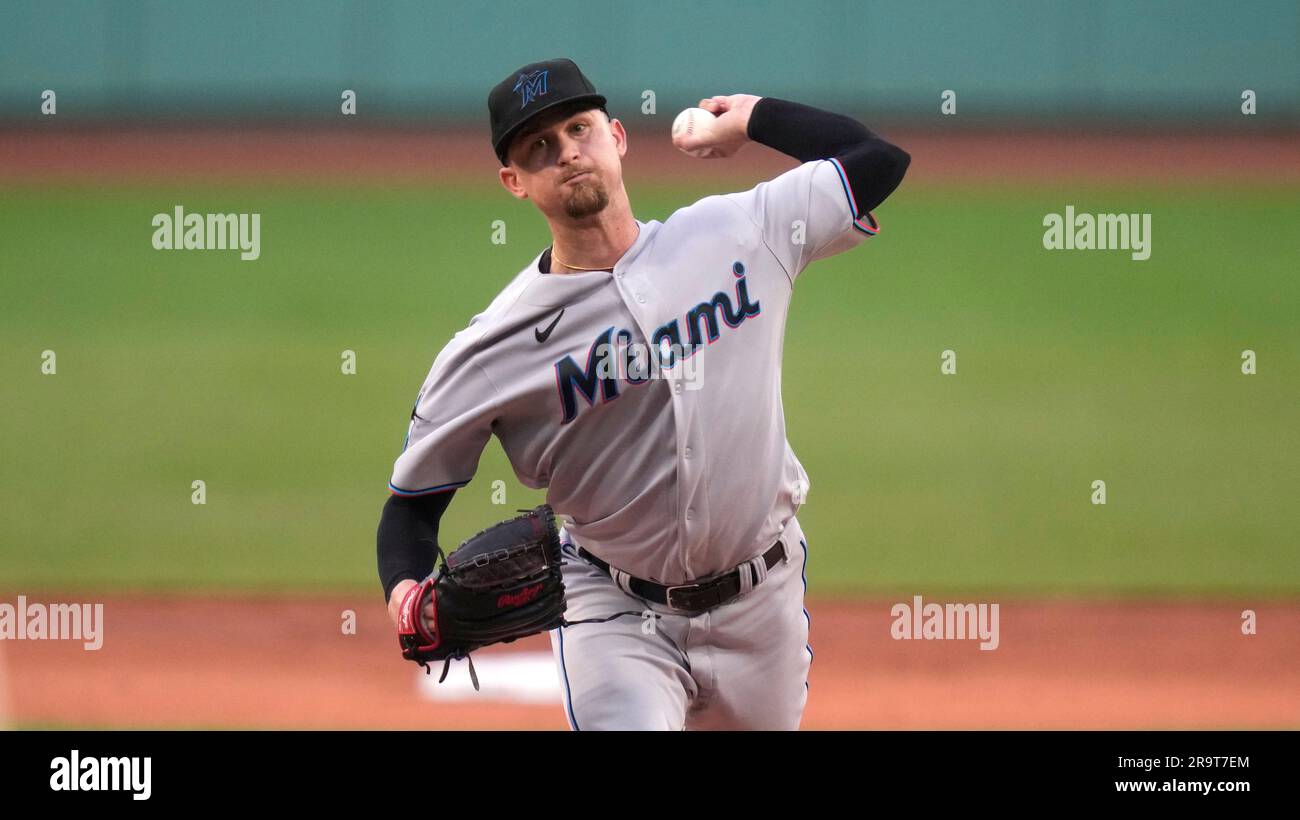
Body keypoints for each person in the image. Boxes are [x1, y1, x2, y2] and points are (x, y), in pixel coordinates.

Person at [377, 57, 909, 730]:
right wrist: (406, 594)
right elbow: (411, 510)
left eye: (579, 130)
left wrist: (752, 117)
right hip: (613, 612)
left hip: (763, 603)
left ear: (617, 138)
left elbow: (877, 160)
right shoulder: (492, 349)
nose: (567, 152)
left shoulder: (740, 234)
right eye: (539, 147)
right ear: (514, 182)